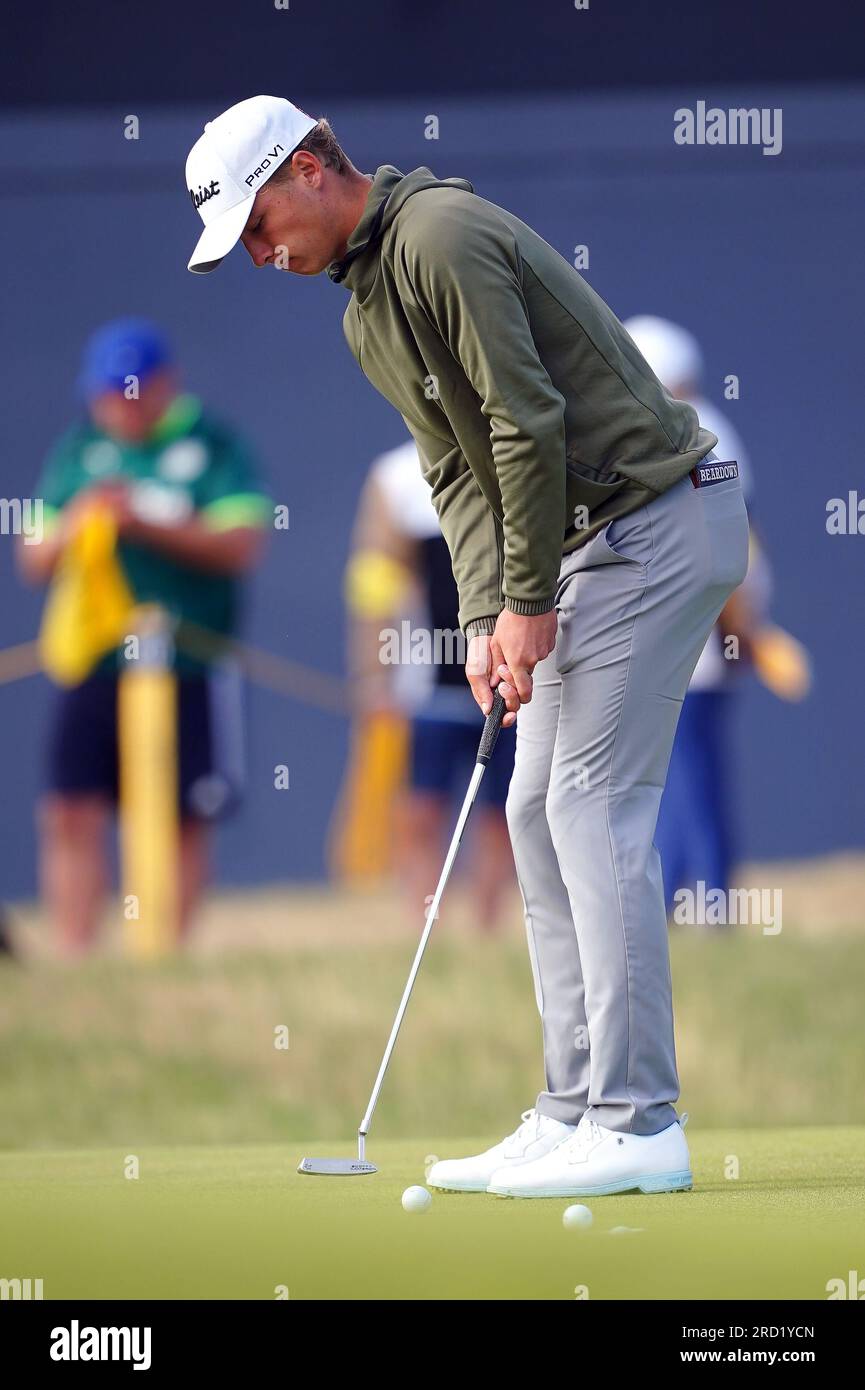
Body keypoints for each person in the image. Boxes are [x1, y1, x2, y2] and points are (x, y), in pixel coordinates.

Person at [183, 96, 749, 1198]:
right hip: (594, 546)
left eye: (256, 225)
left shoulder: (437, 236)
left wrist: (526, 597)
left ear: (305, 168)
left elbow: (523, 420)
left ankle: (641, 1121)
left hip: (660, 522)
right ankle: (572, 1104)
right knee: (532, 807)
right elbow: (454, 472)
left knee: (590, 808)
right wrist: (487, 618)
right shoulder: (364, 312)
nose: (258, 255)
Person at [19, 318, 269, 953]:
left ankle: (165, 951)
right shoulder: (78, 449)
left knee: (180, 815)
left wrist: (144, 522)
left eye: (129, 393)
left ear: (163, 386)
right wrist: (81, 524)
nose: (116, 408)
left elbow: (241, 543)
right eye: (105, 394)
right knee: (70, 808)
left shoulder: (212, 443)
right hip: (94, 660)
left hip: (187, 661)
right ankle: (78, 951)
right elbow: (33, 558)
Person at [343, 438, 517, 931]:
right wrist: (373, 676)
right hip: (429, 685)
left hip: (509, 680)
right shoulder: (396, 476)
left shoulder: (513, 454)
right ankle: (424, 923)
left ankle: (488, 927)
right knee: (421, 810)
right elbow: (373, 583)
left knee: (501, 813)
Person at [623, 316, 759, 918]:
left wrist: (738, 629)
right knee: (674, 776)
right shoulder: (672, 434)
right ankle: (686, 896)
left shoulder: (704, 437)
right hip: (678, 645)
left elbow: (726, 548)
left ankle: (698, 898)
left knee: (683, 776)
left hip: (692, 650)